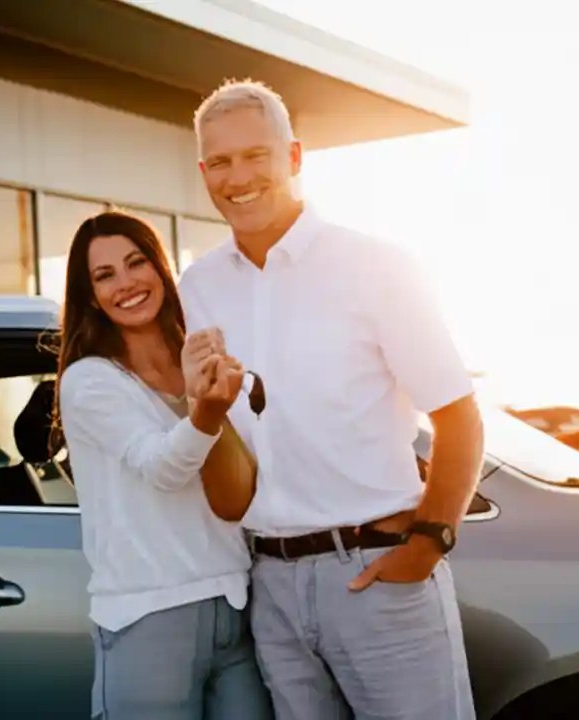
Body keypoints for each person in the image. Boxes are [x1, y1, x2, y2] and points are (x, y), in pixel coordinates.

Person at [178, 79, 487, 719]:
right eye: (221, 162)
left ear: (292, 158)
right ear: (204, 172)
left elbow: (458, 415)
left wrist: (429, 540)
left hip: (377, 575)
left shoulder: (373, 265)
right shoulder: (198, 288)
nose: (239, 177)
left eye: (256, 155)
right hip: (270, 584)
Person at [55, 211, 273, 719]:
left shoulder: (202, 357)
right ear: (90, 296)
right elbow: (162, 468)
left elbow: (253, 470)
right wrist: (207, 411)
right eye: (105, 275)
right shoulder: (91, 381)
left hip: (234, 607)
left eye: (136, 263)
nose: (126, 283)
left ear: (160, 268)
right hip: (149, 617)